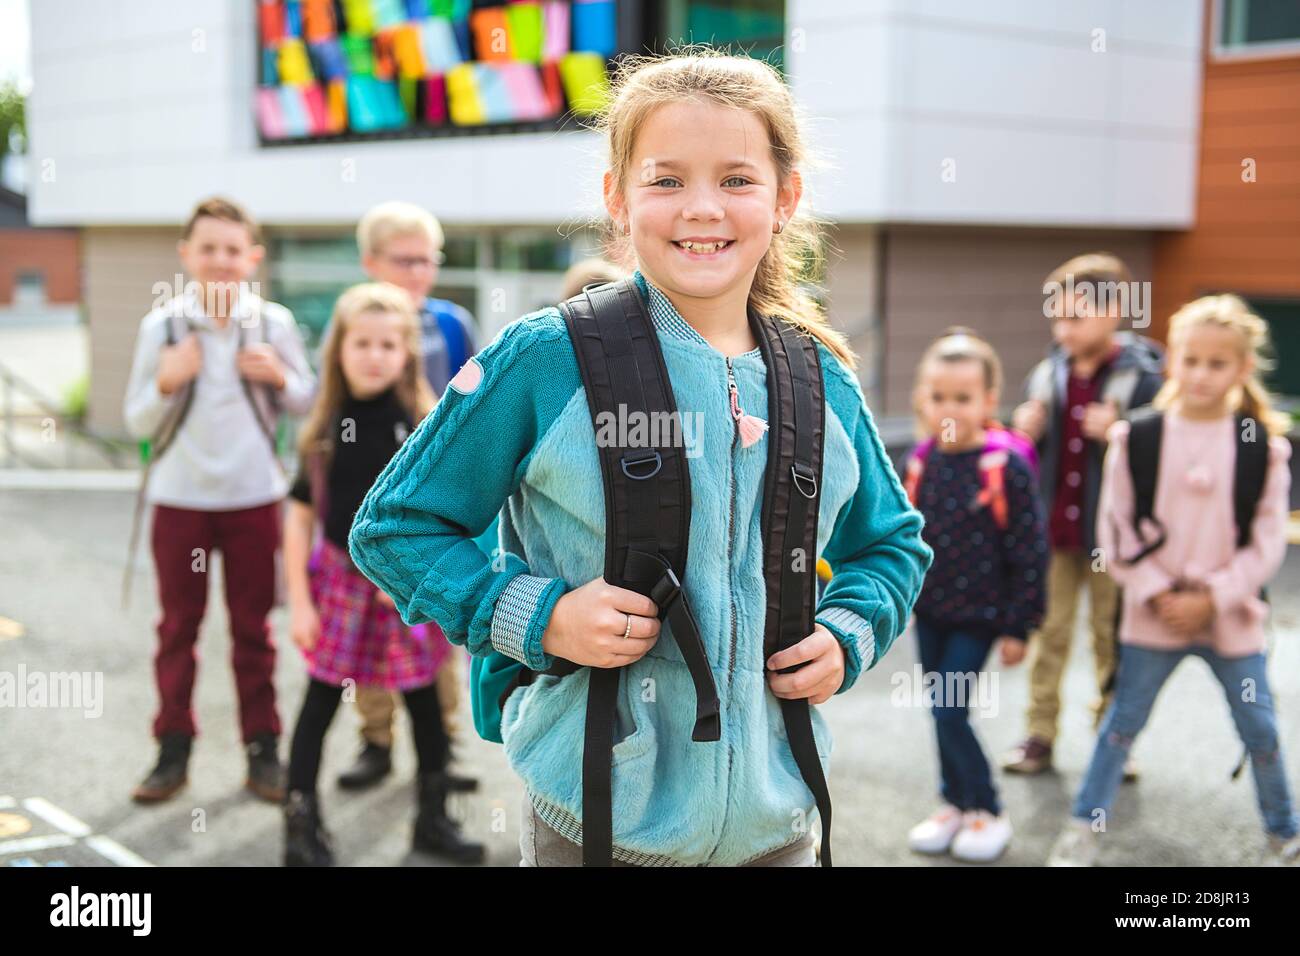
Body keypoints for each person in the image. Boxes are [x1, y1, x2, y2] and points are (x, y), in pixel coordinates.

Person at [349, 51, 932, 866]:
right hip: (593, 823)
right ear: (617, 199)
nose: (702, 208)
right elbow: (395, 526)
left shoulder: (821, 375)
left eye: (736, 179)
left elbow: (892, 543)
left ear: (786, 198)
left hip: (782, 828)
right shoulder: (545, 359)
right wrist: (538, 614)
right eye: (666, 180)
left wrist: (849, 633)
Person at [1048, 294, 1298, 866]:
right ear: (1172, 363)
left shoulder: (1263, 446)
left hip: (1230, 621)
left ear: (1242, 368)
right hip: (1151, 616)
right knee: (1121, 725)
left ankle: (1285, 832)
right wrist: (1160, 593)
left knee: (1260, 727)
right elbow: (1114, 531)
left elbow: (1265, 541)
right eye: (1192, 360)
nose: (1202, 374)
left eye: (1219, 363)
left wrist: (1213, 597)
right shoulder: (1136, 439)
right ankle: (1086, 827)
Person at [281, 282, 484, 866]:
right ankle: (299, 828)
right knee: (319, 704)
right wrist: (299, 600)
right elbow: (298, 519)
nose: (374, 355)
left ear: (406, 354)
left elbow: (454, 512)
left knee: (424, 707)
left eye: (387, 344)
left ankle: (433, 819)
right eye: (361, 343)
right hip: (339, 588)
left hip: (405, 587)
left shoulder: (427, 422)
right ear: (339, 351)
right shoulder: (323, 429)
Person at [123, 196, 315, 804]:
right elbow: (136, 421)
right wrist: (165, 378)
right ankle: (172, 748)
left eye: (233, 249)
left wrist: (282, 378)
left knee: (253, 629)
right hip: (179, 500)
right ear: (187, 255)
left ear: (252, 258)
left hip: (256, 499)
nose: (221, 261)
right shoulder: (164, 328)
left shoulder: (273, 324)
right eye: (208, 248)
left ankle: (263, 748)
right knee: (178, 628)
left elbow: (310, 405)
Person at [1002, 253, 1164, 777]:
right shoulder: (1047, 374)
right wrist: (1022, 429)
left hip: (1114, 538)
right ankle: (1039, 734)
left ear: (1114, 311)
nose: (1062, 329)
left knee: (1111, 635)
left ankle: (1113, 737)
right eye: (1057, 317)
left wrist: (1125, 429)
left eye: (1076, 317)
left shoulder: (1144, 379)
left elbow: (1167, 448)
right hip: (1055, 532)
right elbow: (1022, 455)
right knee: (1049, 634)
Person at [337, 201, 480, 790]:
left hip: (439, 507)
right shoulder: (355, 322)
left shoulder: (452, 325)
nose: (420, 272)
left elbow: (479, 412)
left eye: (429, 260)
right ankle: (375, 739)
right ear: (371, 262)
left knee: (434, 624)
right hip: (371, 502)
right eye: (405, 261)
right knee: (370, 632)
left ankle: (440, 744)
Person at [903, 329, 1047, 862]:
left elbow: (1030, 550)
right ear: (923, 397)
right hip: (933, 613)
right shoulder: (920, 462)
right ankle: (954, 803)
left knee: (948, 709)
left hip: (982, 615)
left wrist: (1019, 626)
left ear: (988, 400)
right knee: (941, 708)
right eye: (938, 396)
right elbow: (906, 541)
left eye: (963, 398)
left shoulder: (1004, 465)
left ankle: (988, 808)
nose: (949, 408)